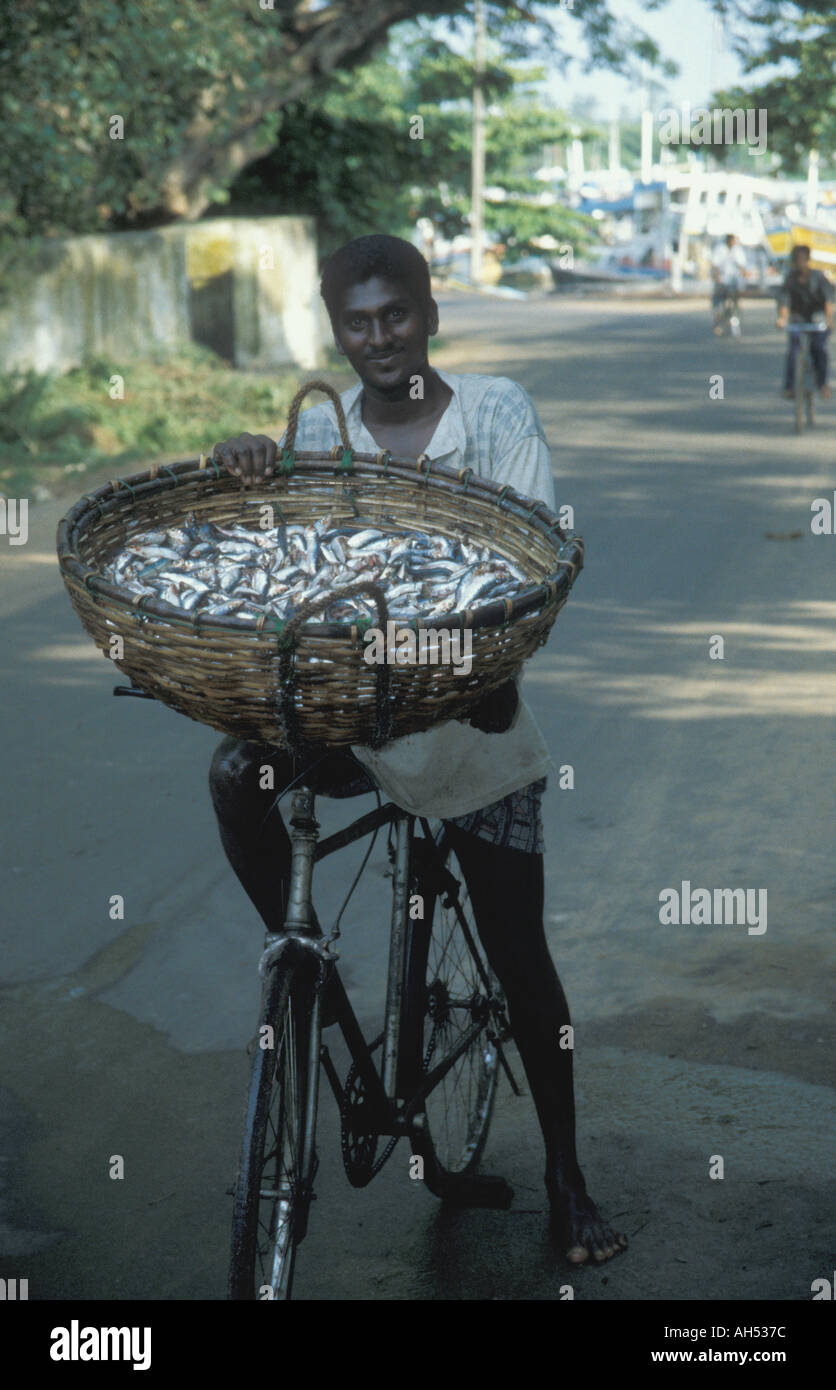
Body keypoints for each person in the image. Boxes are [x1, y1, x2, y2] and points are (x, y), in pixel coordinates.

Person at [209, 233, 627, 1266]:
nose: (378, 336)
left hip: (469, 713)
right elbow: (288, 561)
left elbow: (528, 556)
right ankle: (306, 967)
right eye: (357, 320)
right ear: (337, 330)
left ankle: (566, 1178)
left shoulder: (493, 412)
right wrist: (247, 465)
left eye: (395, 314)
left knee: (519, 957)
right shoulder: (323, 426)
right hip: (359, 717)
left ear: (430, 313)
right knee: (235, 775)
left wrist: (490, 670)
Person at [776, 244, 834, 399]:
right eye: (796, 260)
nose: (799, 264)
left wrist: (829, 320)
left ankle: (822, 384)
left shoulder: (818, 277)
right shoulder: (790, 279)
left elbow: (828, 299)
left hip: (817, 317)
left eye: (802, 260)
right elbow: (784, 301)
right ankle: (789, 387)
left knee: (819, 349)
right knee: (794, 351)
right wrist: (782, 319)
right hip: (798, 318)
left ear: (808, 260)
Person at [710, 233, 748, 334]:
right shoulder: (719, 249)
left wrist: (743, 280)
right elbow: (715, 265)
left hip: (734, 281)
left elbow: (742, 266)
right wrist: (717, 278)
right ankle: (717, 322)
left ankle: (731, 317)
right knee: (718, 302)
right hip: (722, 280)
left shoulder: (738, 251)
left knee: (735, 302)